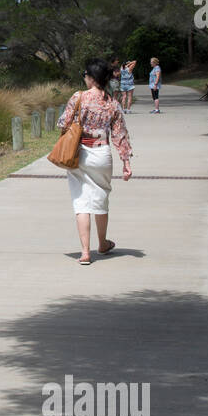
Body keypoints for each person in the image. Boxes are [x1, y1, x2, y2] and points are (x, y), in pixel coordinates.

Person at [57, 57, 133, 265]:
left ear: (91, 78)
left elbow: (63, 122)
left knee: (81, 202)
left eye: (85, 75)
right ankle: (102, 243)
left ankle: (85, 252)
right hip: (102, 153)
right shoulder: (113, 103)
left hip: (80, 153)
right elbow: (120, 135)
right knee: (100, 198)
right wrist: (126, 163)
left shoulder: (79, 97)